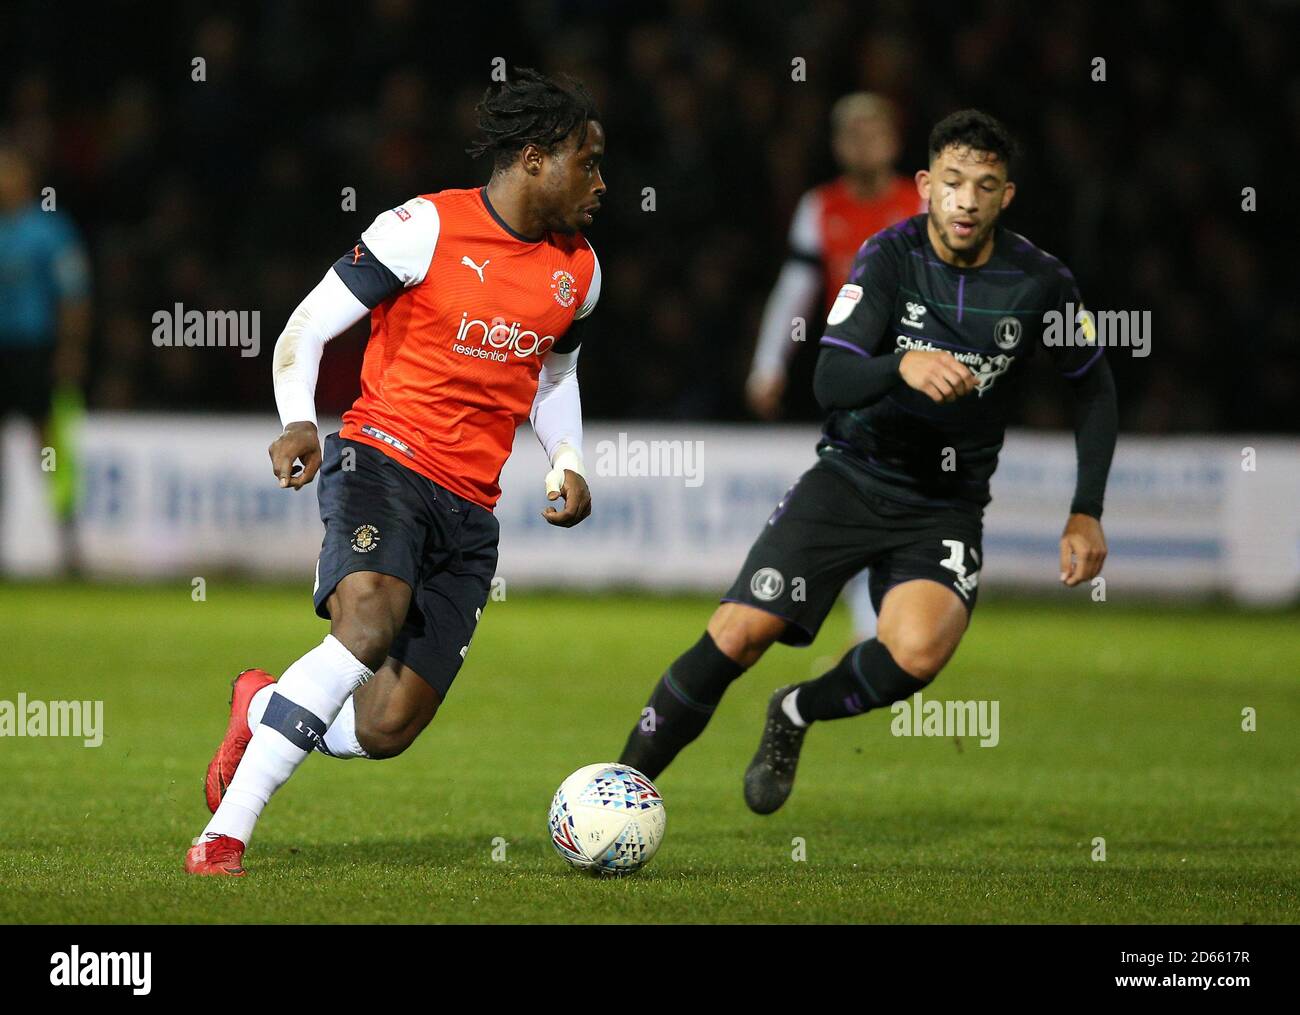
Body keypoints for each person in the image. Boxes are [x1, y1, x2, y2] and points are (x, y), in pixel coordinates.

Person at [619, 110, 1117, 816]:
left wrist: (1086, 509)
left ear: (1007, 196)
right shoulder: (888, 257)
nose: (966, 200)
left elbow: (1094, 386)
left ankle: (796, 710)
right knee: (738, 633)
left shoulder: (1040, 282)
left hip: (944, 504)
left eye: (984, 185)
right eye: (952, 182)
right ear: (924, 186)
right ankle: (619, 786)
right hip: (851, 477)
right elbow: (830, 379)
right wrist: (901, 364)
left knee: (915, 654)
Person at [186, 69, 606, 875]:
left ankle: (265, 704)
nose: (601, 183)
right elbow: (308, 324)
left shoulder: (580, 272)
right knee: (369, 621)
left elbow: (554, 376)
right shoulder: (423, 229)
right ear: (532, 159)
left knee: (385, 727)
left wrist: (568, 458)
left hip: (470, 508)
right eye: (587, 163)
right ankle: (224, 835)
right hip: (384, 460)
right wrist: (299, 418)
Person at [746, 93, 924, 643]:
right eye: (852, 133)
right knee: (865, 494)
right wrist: (768, 364)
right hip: (851, 374)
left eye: (874, 131)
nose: (864, 142)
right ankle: (876, 636)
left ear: (894, 139)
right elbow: (795, 291)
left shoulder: (922, 203)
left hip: (917, 371)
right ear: (837, 144)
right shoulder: (820, 207)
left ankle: (897, 627)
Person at [0, 144, 91, 572]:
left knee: (50, 446)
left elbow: (73, 296)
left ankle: (67, 541)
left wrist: (69, 350)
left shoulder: (49, 231)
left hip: (35, 351)